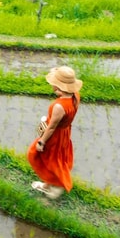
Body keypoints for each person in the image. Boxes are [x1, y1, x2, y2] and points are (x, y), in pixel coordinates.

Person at [28, 66, 82, 200]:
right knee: (56, 159)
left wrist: (42, 142)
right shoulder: (75, 96)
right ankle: (48, 185)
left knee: (37, 155)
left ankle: (56, 186)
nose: (51, 84)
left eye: (54, 82)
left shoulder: (59, 106)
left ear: (59, 86)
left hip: (54, 136)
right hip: (65, 132)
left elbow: (51, 127)